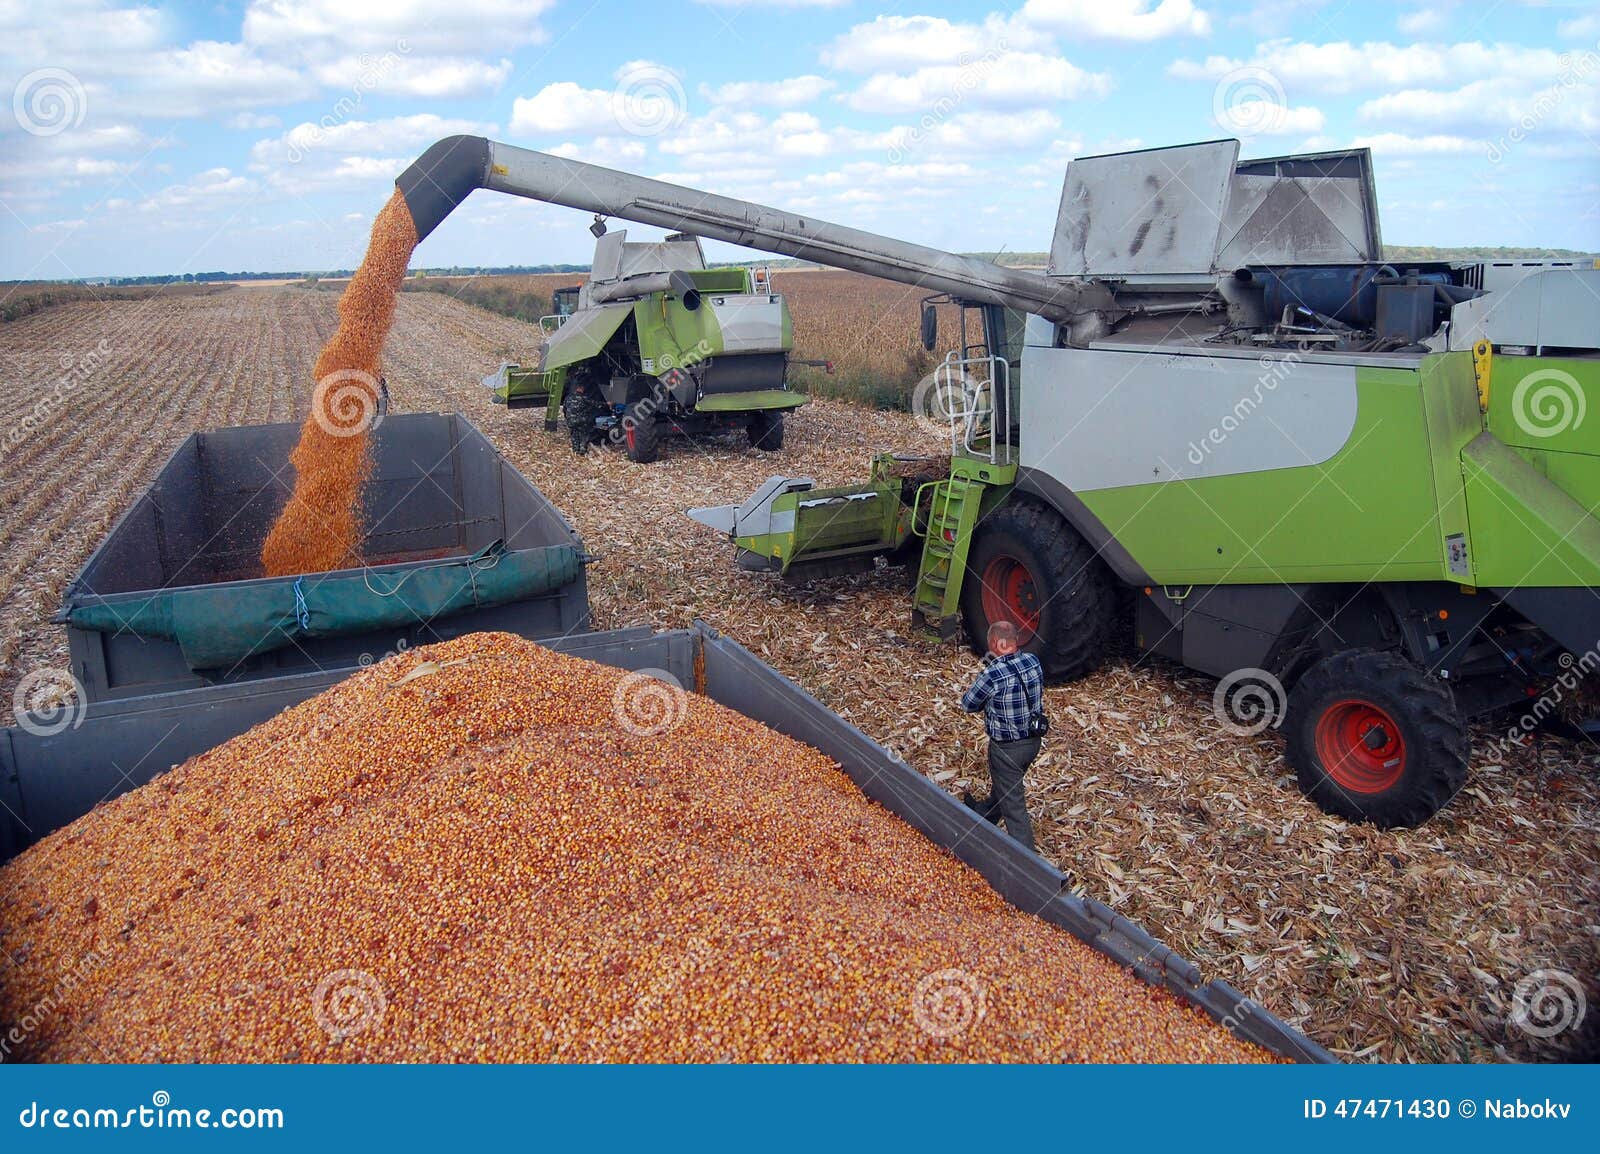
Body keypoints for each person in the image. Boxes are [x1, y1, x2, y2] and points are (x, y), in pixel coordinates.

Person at [960, 621, 1045, 851]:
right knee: (1007, 784)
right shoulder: (1032, 661)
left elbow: (968, 704)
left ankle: (1027, 864)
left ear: (997, 643)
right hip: (1033, 742)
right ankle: (984, 814)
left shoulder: (993, 673)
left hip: (1007, 750)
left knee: (1014, 808)